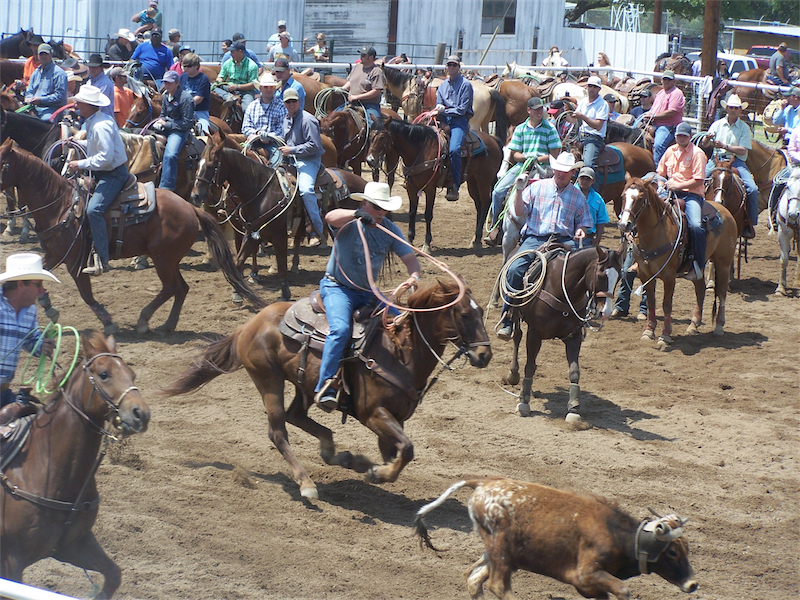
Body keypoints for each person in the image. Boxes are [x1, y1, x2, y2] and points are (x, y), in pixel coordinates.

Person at [313, 182, 420, 410]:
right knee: (340, 330)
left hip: (369, 292)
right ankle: (325, 386)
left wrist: (413, 277)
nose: (381, 213)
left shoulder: (390, 229)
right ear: (365, 204)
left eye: (384, 209)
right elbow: (330, 217)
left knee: (404, 322)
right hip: (338, 288)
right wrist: (356, 214)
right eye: (376, 207)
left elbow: (411, 258)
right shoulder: (349, 224)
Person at [496, 152, 592, 340]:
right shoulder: (537, 187)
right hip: (535, 238)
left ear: (572, 172)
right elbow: (519, 212)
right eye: (558, 170)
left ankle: (582, 315)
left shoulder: (578, 196)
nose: (561, 174)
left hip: (564, 241)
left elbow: (583, 221)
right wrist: (518, 191)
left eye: (565, 171)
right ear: (554, 169)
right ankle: (507, 316)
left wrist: (581, 230)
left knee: (584, 270)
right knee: (514, 269)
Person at [67, 85, 129, 276]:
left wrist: (80, 164)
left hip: (113, 174)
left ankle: (103, 258)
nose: (76, 105)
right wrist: (78, 143)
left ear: (90, 105)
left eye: (80, 102)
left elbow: (105, 158)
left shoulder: (100, 125)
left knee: (94, 210)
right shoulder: (96, 121)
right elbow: (96, 147)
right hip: (105, 172)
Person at [485, 96, 561, 242]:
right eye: (536, 109)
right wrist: (526, 158)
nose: (539, 112)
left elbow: (555, 154)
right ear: (529, 110)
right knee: (497, 191)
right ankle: (496, 226)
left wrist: (537, 159)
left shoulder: (549, 129)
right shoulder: (520, 129)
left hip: (544, 168)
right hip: (522, 167)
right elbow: (515, 154)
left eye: (541, 109)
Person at [0, 253, 59, 408]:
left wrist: (42, 346)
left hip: (3, 392)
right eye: (38, 284)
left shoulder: (30, 311)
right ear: (21, 284)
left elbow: (31, 340)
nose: (41, 291)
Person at [702, 94, 759, 239]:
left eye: (736, 108)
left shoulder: (744, 128)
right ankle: (697, 214)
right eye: (731, 107)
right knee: (700, 180)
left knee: (752, 189)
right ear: (726, 108)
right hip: (717, 160)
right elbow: (705, 144)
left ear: (740, 110)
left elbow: (743, 150)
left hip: (736, 162)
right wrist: (707, 139)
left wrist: (725, 146)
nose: (733, 110)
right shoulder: (717, 124)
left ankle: (749, 222)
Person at [657, 121, 708, 280]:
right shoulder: (670, 151)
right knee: (646, 211)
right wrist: (660, 185)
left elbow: (699, 180)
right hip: (670, 191)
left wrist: (677, 185)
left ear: (690, 137)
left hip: (691, 194)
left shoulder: (697, 153)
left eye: (684, 136)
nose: (680, 138)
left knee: (695, 226)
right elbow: (660, 172)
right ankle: (636, 255)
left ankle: (698, 265)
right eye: (678, 135)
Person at [280, 87, 326, 247]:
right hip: (289, 160)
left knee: (306, 190)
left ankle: (317, 230)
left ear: (299, 101)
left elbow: (314, 145)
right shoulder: (285, 118)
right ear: (284, 103)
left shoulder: (308, 120)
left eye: (294, 101)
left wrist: (291, 150)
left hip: (308, 160)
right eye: (288, 102)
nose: (291, 104)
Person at [435, 54, 473, 201]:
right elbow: (439, 105)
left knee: (454, 149)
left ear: (459, 67)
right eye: (449, 65)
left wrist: (443, 111)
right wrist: (441, 119)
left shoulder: (465, 85)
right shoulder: (443, 85)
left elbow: (462, 110)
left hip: (459, 121)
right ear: (446, 67)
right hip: (444, 120)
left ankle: (455, 184)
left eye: (454, 65)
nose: (451, 67)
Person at [152, 70, 194, 192]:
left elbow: (187, 123)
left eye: (169, 83)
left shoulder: (186, 99)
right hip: (166, 127)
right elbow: (163, 114)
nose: (167, 85)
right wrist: (160, 120)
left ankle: (167, 187)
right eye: (165, 82)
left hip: (179, 131)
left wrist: (167, 124)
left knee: (170, 155)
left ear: (177, 83)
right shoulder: (166, 96)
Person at [570, 76, 607, 192]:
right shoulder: (583, 101)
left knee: (588, 165)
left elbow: (598, 125)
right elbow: (578, 121)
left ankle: (594, 193)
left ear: (599, 89)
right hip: (581, 135)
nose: (591, 89)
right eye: (590, 86)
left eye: (594, 87)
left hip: (594, 138)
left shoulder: (603, 104)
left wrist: (583, 117)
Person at [644, 69, 685, 168]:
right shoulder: (661, 93)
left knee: (658, 145)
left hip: (667, 126)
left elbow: (672, 112)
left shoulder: (676, 93)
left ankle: (658, 169)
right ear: (661, 80)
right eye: (664, 79)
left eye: (668, 80)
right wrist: (648, 114)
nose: (666, 82)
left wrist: (653, 116)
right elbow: (654, 108)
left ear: (674, 81)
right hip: (655, 123)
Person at [339, 46, 385, 123]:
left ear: (371, 57)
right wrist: (342, 89)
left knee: (373, 125)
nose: (361, 57)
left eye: (363, 55)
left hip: (370, 105)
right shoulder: (357, 66)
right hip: (353, 102)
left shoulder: (376, 71)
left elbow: (377, 91)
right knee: (333, 116)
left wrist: (356, 97)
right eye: (361, 55)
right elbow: (351, 82)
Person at [24, 44, 67, 121]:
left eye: (46, 54)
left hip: (52, 109)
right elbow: (29, 91)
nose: (43, 56)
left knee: (45, 122)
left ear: (51, 54)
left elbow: (60, 96)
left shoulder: (59, 73)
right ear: (38, 56)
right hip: (34, 107)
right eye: (41, 54)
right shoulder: (35, 73)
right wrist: (28, 98)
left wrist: (41, 100)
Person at [242, 72, 286, 145]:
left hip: (274, 144)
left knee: (277, 156)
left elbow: (282, 129)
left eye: (271, 87)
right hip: (253, 142)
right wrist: (256, 134)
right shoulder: (252, 106)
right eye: (265, 86)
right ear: (260, 88)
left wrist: (268, 136)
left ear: (275, 88)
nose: (268, 89)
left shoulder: (281, 106)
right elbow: (246, 127)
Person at [214, 41, 259, 112]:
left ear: (240, 51)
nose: (230, 54)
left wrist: (237, 87)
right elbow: (221, 76)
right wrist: (217, 82)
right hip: (229, 88)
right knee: (210, 87)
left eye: (232, 52)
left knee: (247, 110)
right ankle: (229, 97)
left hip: (245, 92)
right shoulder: (228, 63)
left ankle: (249, 122)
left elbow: (253, 84)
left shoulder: (252, 65)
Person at [574, 167, 608, 247]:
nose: (585, 181)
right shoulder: (570, 194)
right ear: (578, 178)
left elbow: (601, 220)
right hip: (570, 238)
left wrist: (598, 239)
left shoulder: (598, 199)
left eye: (588, 179)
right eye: (582, 178)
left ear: (593, 181)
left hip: (589, 239)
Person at [180, 52, 211, 132]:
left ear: (196, 66)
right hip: (181, 111)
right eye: (184, 66)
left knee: (204, 132)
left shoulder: (204, 79)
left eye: (189, 66)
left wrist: (184, 105)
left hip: (199, 112)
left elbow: (199, 98)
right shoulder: (182, 77)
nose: (186, 68)